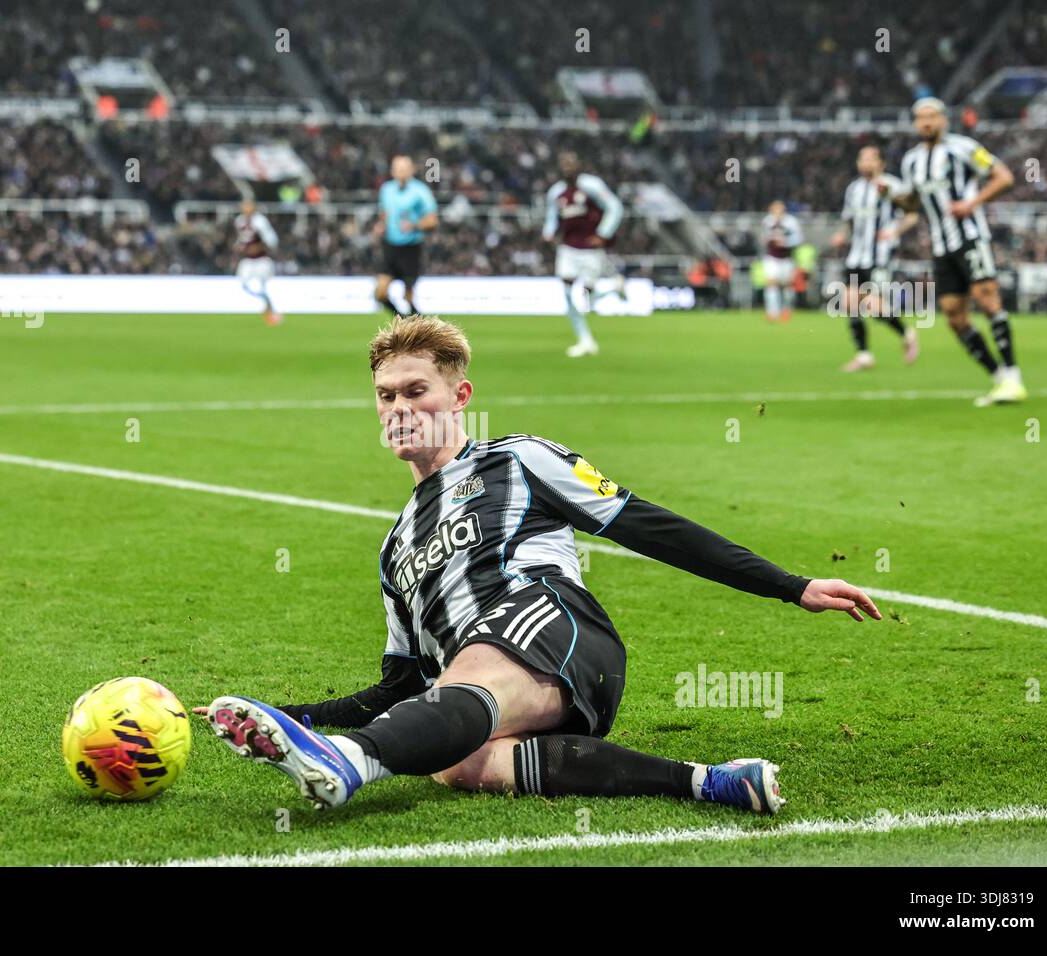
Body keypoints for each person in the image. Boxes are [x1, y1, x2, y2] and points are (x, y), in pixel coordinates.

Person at [197, 315, 881, 814]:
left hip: (558, 629)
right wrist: (286, 717)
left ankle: (350, 763)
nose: (400, 409)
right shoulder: (394, 548)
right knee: (456, 762)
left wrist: (792, 587)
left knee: (460, 682)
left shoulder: (516, 460)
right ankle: (709, 781)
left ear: (459, 398)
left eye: (416, 391)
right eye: (386, 396)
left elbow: (649, 527)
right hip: (491, 687)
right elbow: (399, 689)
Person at [888, 97, 1023, 406]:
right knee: (954, 317)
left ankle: (1014, 377)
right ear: (914, 123)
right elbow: (913, 202)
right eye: (921, 118)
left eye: (932, 116)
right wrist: (893, 198)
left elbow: (1004, 177)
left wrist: (972, 203)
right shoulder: (911, 161)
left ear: (944, 120)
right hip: (941, 246)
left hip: (971, 238)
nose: (927, 122)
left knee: (988, 301)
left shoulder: (963, 147)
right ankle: (999, 378)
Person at [830, 145, 920, 371]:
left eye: (871, 159)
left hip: (880, 255)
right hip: (856, 256)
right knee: (850, 304)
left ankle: (906, 333)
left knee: (872, 305)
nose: (866, 164)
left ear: (881, 163)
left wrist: (894, 232)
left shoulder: (892, 185)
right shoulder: (854, 189)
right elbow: (848, 219)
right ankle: (863, 355)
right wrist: (842, 234)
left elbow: (912, 215)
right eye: (862, 159)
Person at [541, 151, 624, 357]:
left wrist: (603, 233)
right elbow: (552, 217)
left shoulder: (592, 185)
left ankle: (614, 288)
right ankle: (585, 340)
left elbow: (615, 207)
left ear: (578, 165)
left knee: (587, 299)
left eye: (570, 163)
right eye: (563, 164)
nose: (567, 167)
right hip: (568, 248)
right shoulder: (556, 193)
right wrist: (549, 233)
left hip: (590, 250)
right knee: (569, 294)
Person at [374, 154, 438, 317]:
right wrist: (381, 225)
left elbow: (432, 220)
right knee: (380, 293)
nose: (401, 172)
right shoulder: (386, 190)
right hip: (390, 246)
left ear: (412, 170)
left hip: (411, 248)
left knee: (408, 296)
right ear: (392, 171)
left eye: (404, 168)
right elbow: (385, 213)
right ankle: (403, 320)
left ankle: (416, 322)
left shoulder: (421, 191)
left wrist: (414, 225)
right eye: (397, 168)